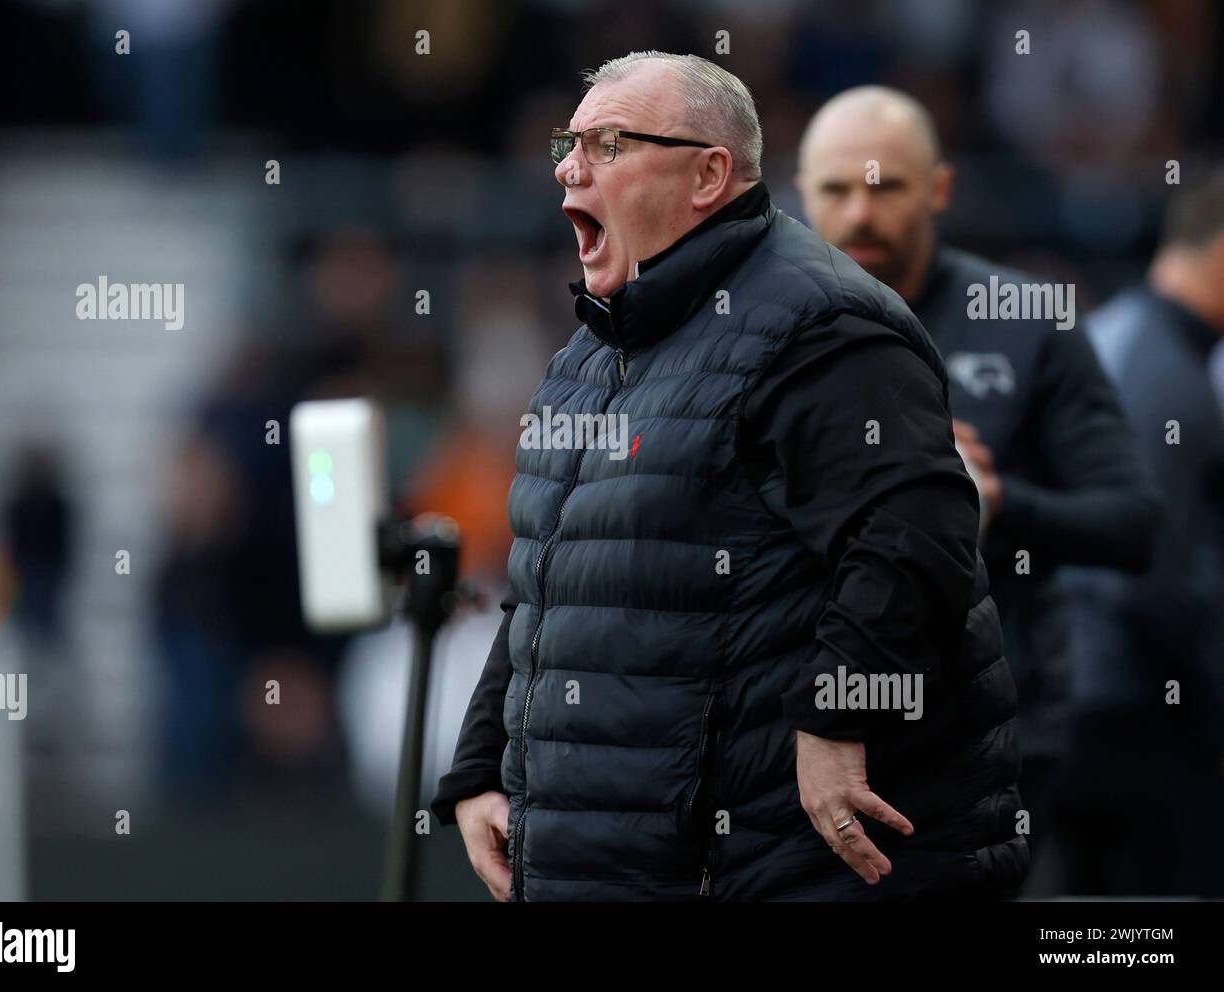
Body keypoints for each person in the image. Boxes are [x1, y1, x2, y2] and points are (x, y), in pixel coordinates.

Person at [431, 52, 1026, 902]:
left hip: (787, 867)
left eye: (608, 144)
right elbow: (548, 580)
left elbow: (915, 531)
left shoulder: (821, 324)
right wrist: (483, 761)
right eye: (568, 144)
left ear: (709, 175)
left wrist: (839, 712)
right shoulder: (592, 352)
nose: (568, 167)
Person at [795, 86, 1161, 893]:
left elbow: (1131, 522)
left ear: (940, 188)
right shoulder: (771, 328)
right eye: (836, 189)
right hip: (805, 731)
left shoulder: (1025, 321)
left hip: (997, 737)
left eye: (887, 186)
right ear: (800, 193)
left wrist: (996, 506)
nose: (860, 213)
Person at [1060, 172, 1224, 896]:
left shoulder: (1119, 330)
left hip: (1075, 694)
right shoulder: (1171, 374)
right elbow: (1151, 579)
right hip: (1130, 714)